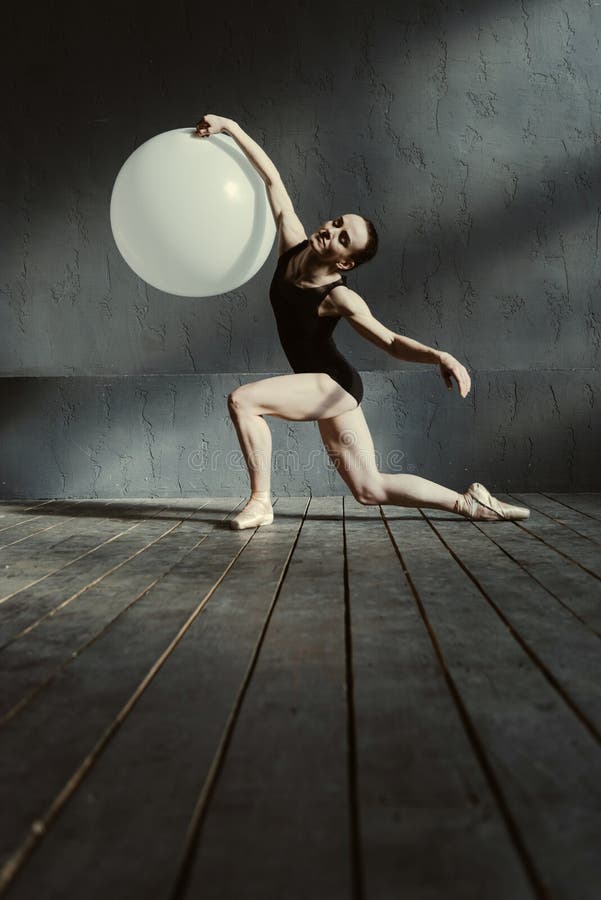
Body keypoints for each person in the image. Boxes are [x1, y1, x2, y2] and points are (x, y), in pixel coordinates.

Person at [195, 115, 530, 530]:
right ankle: (471, 503)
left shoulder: (339, 297)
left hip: (331, 383)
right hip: (329, 388)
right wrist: (231, 127)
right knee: (369, 489)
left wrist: (439, 356)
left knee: (243, 400)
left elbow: (389, 341)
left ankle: (261, 503)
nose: (330, 231)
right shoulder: (293, 244)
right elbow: (272, 179)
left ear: (345, 261)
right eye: (336, 223)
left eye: (342, 237)